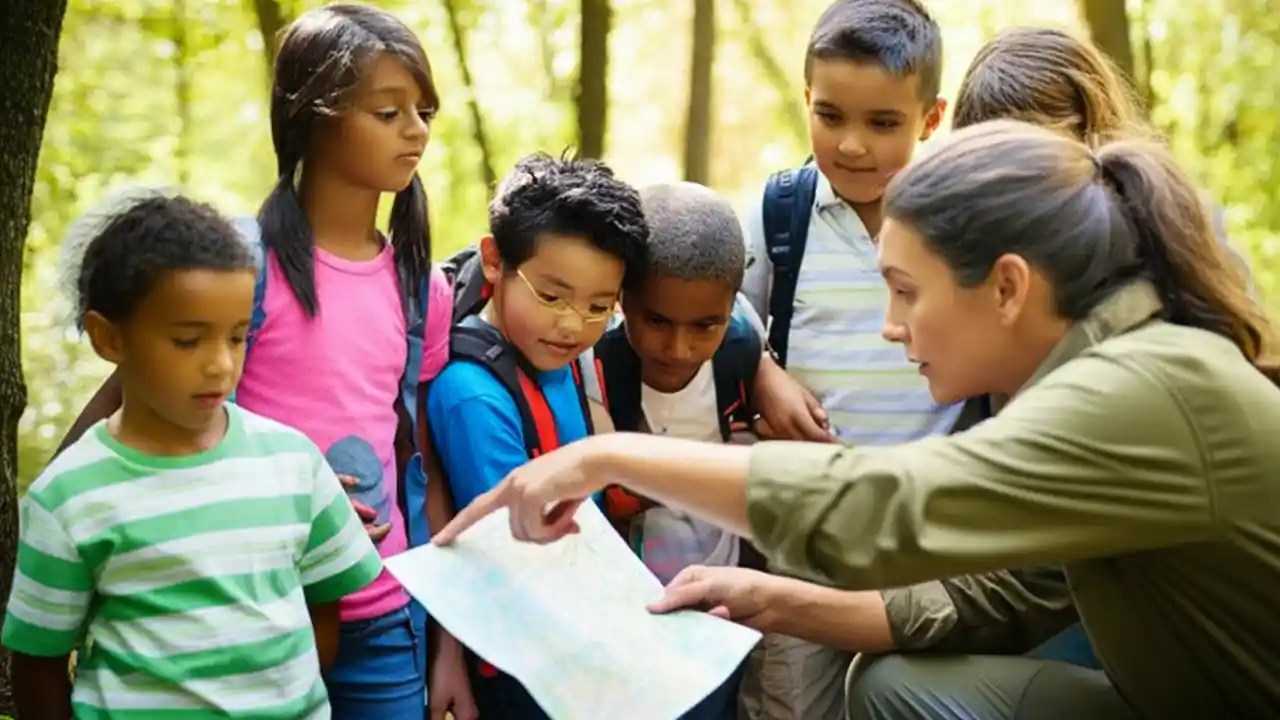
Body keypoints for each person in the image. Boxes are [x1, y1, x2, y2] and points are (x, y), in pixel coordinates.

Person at [434, 120, 1280, 718]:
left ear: (1009, 288)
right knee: (890, 686)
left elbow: (884, 507)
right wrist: (774, 600)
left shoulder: (1137, 392)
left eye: (907, 291)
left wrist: (607, 457)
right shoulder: (1111, 368)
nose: (890, 325)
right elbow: (1009, 591)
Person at [47, 6, 472, 718]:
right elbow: (125, 414)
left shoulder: (418, 287)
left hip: (381, 610)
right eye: (389, 111)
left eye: (423, 111)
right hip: (241, 608)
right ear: (314, 115)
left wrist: (447, 641)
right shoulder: (244, 263)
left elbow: (417, 463)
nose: (417, 131)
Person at [4, 194, 383, 720]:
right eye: (188, 341)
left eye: (237, 337)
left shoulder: (293, 462)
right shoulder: (68, 495)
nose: (220, 366)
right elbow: (38, 667)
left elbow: (325, 605)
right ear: (109, 338)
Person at [734, 2, 962, 715]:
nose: (854, 145)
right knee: (790, 703)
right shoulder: (780, 214)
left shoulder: (959, 221)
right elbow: (727, 313)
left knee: (907, 697)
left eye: (883, 123)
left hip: (929, 538)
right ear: (806, 100)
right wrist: (764, 370)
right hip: (807, 534)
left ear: (930, 118)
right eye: (830, 116)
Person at [425, 152, 649, 719]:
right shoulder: (473, 393)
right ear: (494, 261)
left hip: (576, 637)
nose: (574, 323)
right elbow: (516, 550)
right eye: (552, 296)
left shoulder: (558, 353)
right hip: (525, 660)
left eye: (600, 306)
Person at [591, 182, 764, 719]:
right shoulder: (595, 365)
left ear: (732, 306)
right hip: (628, 607)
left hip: (720, 606)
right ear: (623, 297)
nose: (678, 348)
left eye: (704, 326)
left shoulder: (742, 350)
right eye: (657, 321)